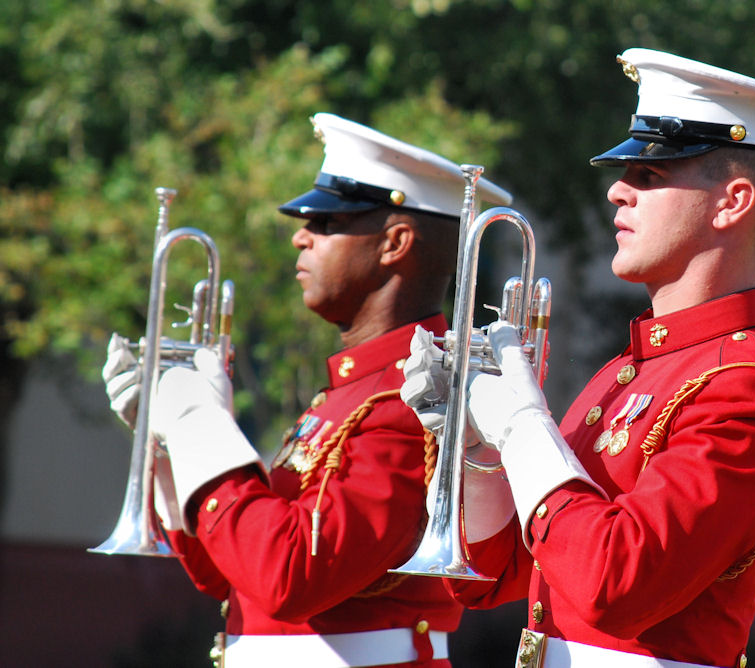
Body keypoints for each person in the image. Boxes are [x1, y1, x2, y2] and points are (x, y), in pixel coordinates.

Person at [402, 48, 755, 668]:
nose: (617, 191)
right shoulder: (629, 371)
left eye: (650, 177)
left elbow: (615, 584)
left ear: (733, 202)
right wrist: (476, 448)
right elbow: (491, 574)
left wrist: (521, 427)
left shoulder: (744, 385)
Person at [102, 112, 513, 667]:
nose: (300, 235)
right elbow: (227, 574)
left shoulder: (413, 400)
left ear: (394, 242)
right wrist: (174, 448)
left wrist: (197, 422)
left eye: (326, 224)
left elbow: (291, 579)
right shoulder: (349, 389)